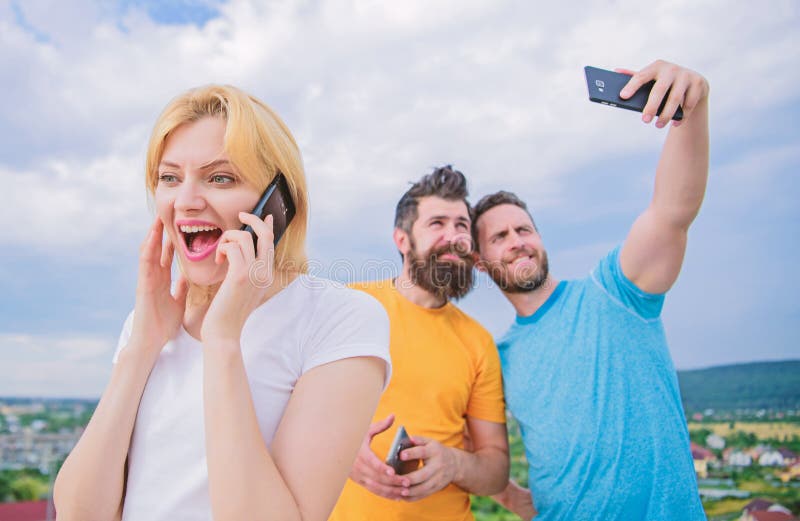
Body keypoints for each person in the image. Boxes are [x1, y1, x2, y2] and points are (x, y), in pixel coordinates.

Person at [53, 85, 391, 521]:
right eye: (170, 178)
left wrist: (223, 339)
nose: (187, 202)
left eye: (221, 178)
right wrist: (141, 348)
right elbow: (79, 514)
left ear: (278, 203)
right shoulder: (150, 325)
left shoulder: (338, 319)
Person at [473, 60, 710, 520]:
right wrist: (520, 502)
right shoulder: (496, 357)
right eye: (499, 237)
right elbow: (481, 450)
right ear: (480, 263)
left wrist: (691, 110)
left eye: (524, 228)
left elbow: (672, 212)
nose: (517, 241)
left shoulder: (614, 294)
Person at [329, 166, 510, 521]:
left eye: (461, 226)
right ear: (402, 240)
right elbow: (281, 415)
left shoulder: (478, 341)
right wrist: (339, 450)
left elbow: (496, 470)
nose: (454, 235)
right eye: (437, 223)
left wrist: (455, 463)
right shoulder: (349, 307)